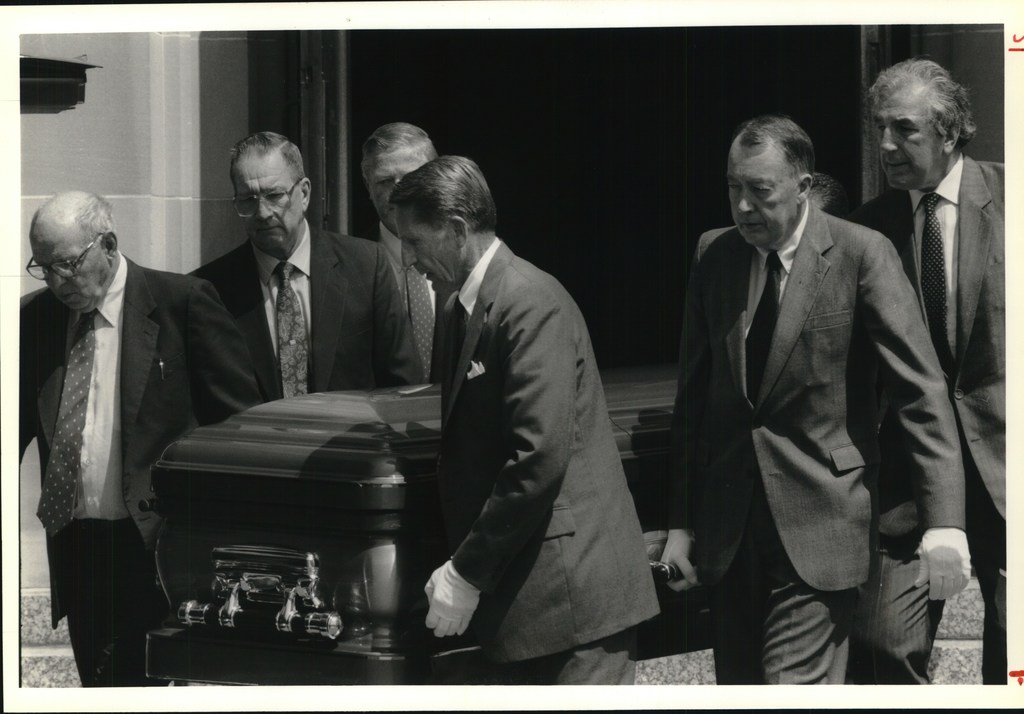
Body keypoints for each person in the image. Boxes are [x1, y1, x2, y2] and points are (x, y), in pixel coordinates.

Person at [661, 115, 970, 684]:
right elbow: (694, 400)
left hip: (822, 525)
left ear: (802, 187)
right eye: (734, 188)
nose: (744, 207)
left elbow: (920, 391)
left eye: (761, 191)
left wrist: (945, 521)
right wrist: (680, 523)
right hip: (730, 535)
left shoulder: (861, 253)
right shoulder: (716, 255)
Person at [390, 156, 659, 684]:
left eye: (415, 242)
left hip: (572, 602)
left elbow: (538, 457)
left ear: (457, 229)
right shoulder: (459, 310)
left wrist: (466, 572)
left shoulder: (531, 303)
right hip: (528, 602)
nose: (407, 260)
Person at [19, 191, 262, 686]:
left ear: (107, 244)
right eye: (41, 267)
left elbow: (241, 428)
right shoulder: (37, 318)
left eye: (65, 264)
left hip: (159, 547)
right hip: (78, 546)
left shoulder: (183, 303)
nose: (55, 281)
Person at [847, 58, 1005, 685]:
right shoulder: (865, 230)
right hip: (909, 477)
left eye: (905, 130)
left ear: (950, 131)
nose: (886, 145)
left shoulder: (1011, 199)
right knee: (883, 646)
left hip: (1006, 463)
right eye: (879, 128)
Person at [194, 131, 419, 402]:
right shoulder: (210, 290)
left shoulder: (367, 265)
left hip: (351, 441)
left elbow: (402, 384)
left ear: (304, 194)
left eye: (274, 195)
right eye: (248, 200)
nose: (263, 213)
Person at [360, 122, 450, 383]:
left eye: (412, 178)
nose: (399, 193)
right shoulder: (350, 266)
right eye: (386, 181)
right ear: (368, 185)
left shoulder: (464, 260)